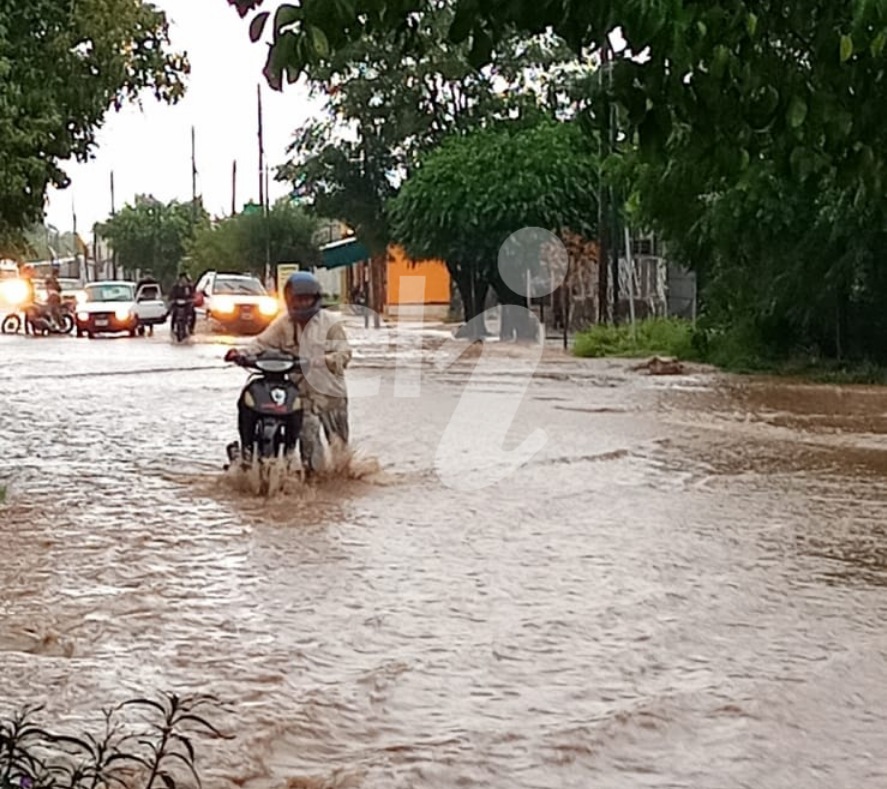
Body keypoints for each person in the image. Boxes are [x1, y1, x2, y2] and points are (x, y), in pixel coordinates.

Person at [225, 271, 352, 471]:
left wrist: (320, 361)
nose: (303, 304)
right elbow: (261, 343)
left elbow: (344, 354)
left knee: (339, 446)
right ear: (290, 300)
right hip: (301, 394)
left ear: (316, 299)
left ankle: (341, 482)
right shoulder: (283, 324)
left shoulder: (330, 323)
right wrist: (240, 353)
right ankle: (313, 480)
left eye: (307, 299)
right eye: (298, 299)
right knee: (308, 440)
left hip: (330, 394)